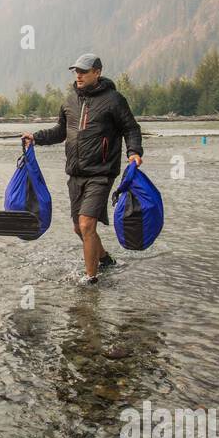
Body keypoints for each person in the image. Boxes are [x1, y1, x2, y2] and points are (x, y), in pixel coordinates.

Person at [22, 53, 142, 283]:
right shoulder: (69, 101)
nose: (79, 75)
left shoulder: (114, 100)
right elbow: (60, 131)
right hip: (75, 174)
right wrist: (36, 138)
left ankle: (90, 281)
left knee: (87, 224)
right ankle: (105, 259)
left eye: (84, 71)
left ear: (97, 72)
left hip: (101, 173)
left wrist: (134, 152)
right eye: (76, 71)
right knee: (79, 228)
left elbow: (131, 129)